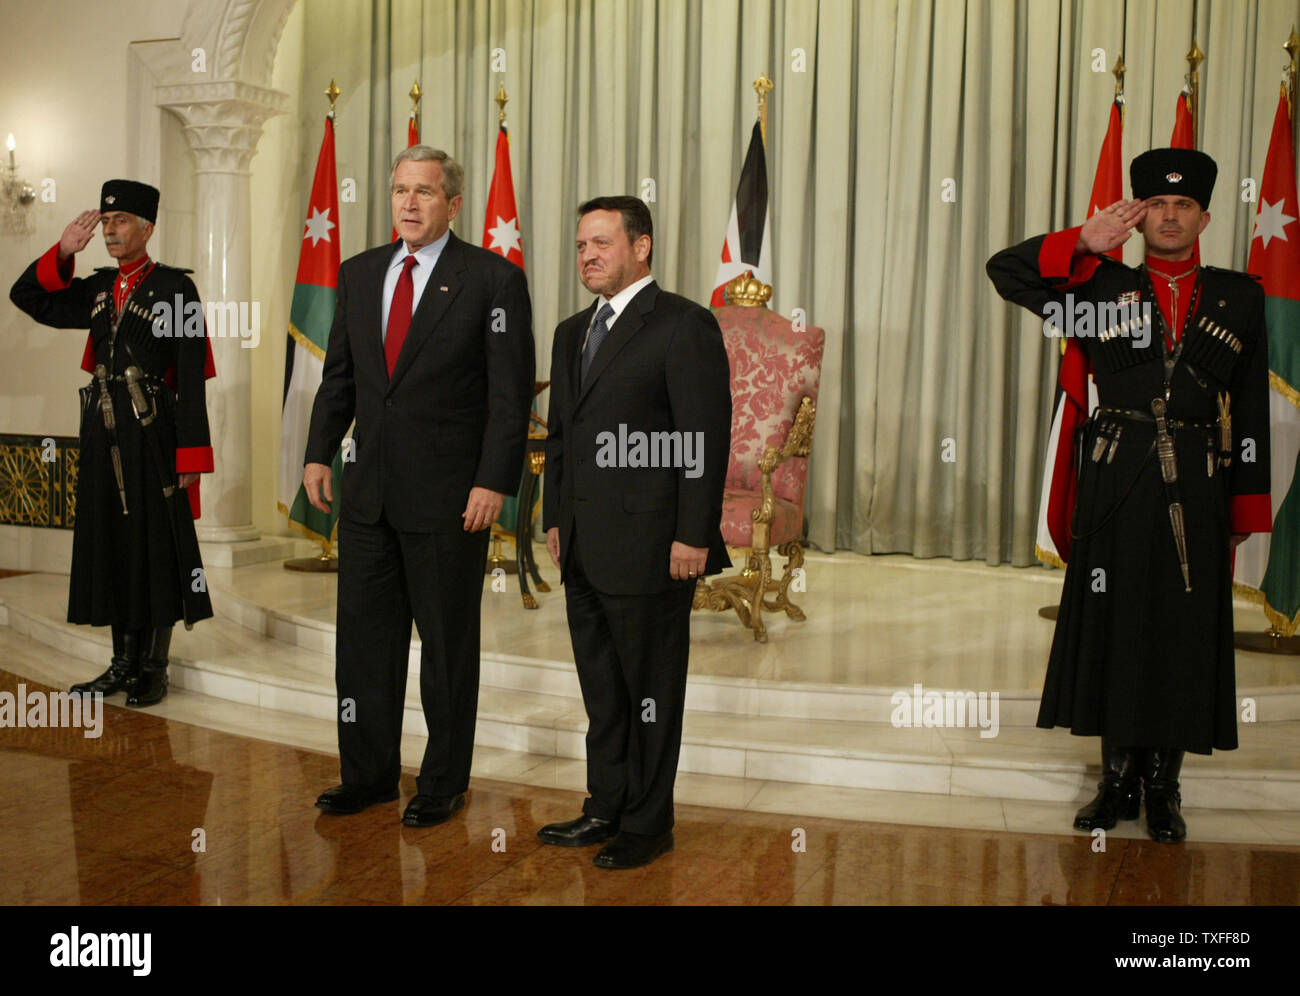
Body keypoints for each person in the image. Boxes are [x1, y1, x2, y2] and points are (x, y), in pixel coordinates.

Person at [987, 149, 1272, 843]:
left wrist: (1244, 504)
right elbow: (1007, 271)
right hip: (1117, 475)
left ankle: (1163, 785)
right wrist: (1083, 241)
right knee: (1116, 622)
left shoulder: (1240, 294)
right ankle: (1116, 780)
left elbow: (1253, 408)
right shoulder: (1095, 289)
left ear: (1204, 216)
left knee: (1180, 629)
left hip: (1201, 483)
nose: (1171, 217)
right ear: (1139, 216)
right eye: (1157, 206)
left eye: (1184, 207)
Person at [303, 146, 534, 826]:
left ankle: (442, 781)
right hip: (369, 494)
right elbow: (340, 376)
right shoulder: (360, 272)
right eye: (400, 189)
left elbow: (509, 395)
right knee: (365, 648)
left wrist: (494, 481)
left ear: (453, 204)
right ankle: (368, 775)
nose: (408, 203)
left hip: (450, 499)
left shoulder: (492, 280)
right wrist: (320, 453)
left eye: (424, 192)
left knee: (446, 648)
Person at [539, 196, 732, 868]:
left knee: (650, 693)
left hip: (655, 547)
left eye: (601, 243)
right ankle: (605, 806)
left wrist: (692, 535)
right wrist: (554, 518)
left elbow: (702, 440)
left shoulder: (683, 325)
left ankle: (648, 824)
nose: (588, 256)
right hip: (584, 546)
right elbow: (562, 435)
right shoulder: (570, 332)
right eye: (581, 245)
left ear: (641, 247)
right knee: (602, 688)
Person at [9, 180, 215, 707]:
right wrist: (62, 252)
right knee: (114, 545)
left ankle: (153, 668)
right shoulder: (99, 289)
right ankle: (121, 663)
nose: (110, 231)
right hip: (102, 433)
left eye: (120, 221)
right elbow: (27, 297)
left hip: (154, 435)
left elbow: (190, 376)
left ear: (147, 227)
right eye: (105, 223)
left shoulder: (175, 289)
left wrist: (191, 453)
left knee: (156, 547)